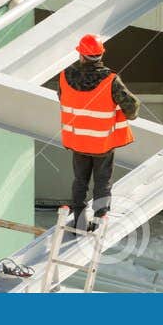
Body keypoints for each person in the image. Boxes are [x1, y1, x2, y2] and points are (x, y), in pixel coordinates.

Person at [59, 34, 138, 232]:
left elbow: (63, 98)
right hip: (101, 142)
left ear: (81, 54)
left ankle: (78, 218)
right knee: (102, 180)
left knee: (80, 179)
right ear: (101, 54)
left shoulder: (65, 76)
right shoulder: (110, 80)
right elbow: (132, 106)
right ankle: (100, 216)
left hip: (78, 140)